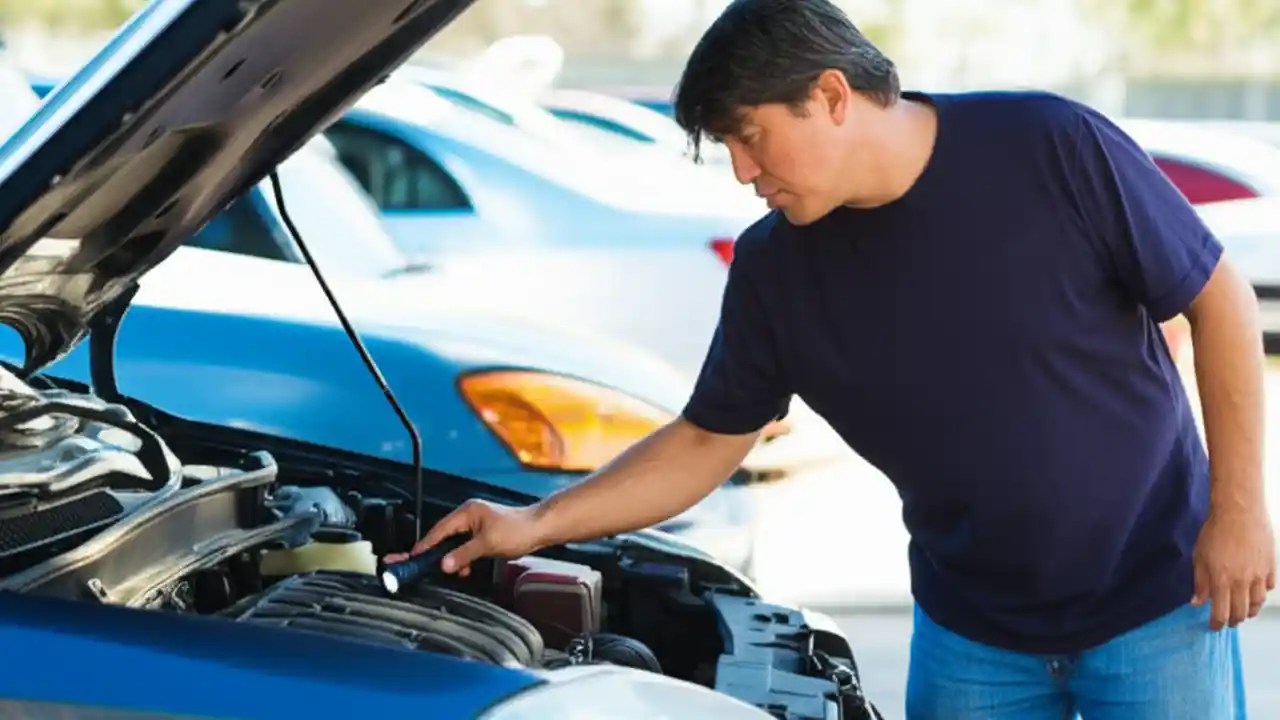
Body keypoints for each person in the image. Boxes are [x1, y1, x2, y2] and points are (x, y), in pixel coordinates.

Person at [388, 1, 1275, 716]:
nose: (742, 172)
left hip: (1158, 603)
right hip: (972, 639)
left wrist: (1238, 511)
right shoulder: (775, 266)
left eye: (750, 136)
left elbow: (1218, 297)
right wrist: (535, 524)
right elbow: (706, 441)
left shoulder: (1053, 146)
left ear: (832, 94)